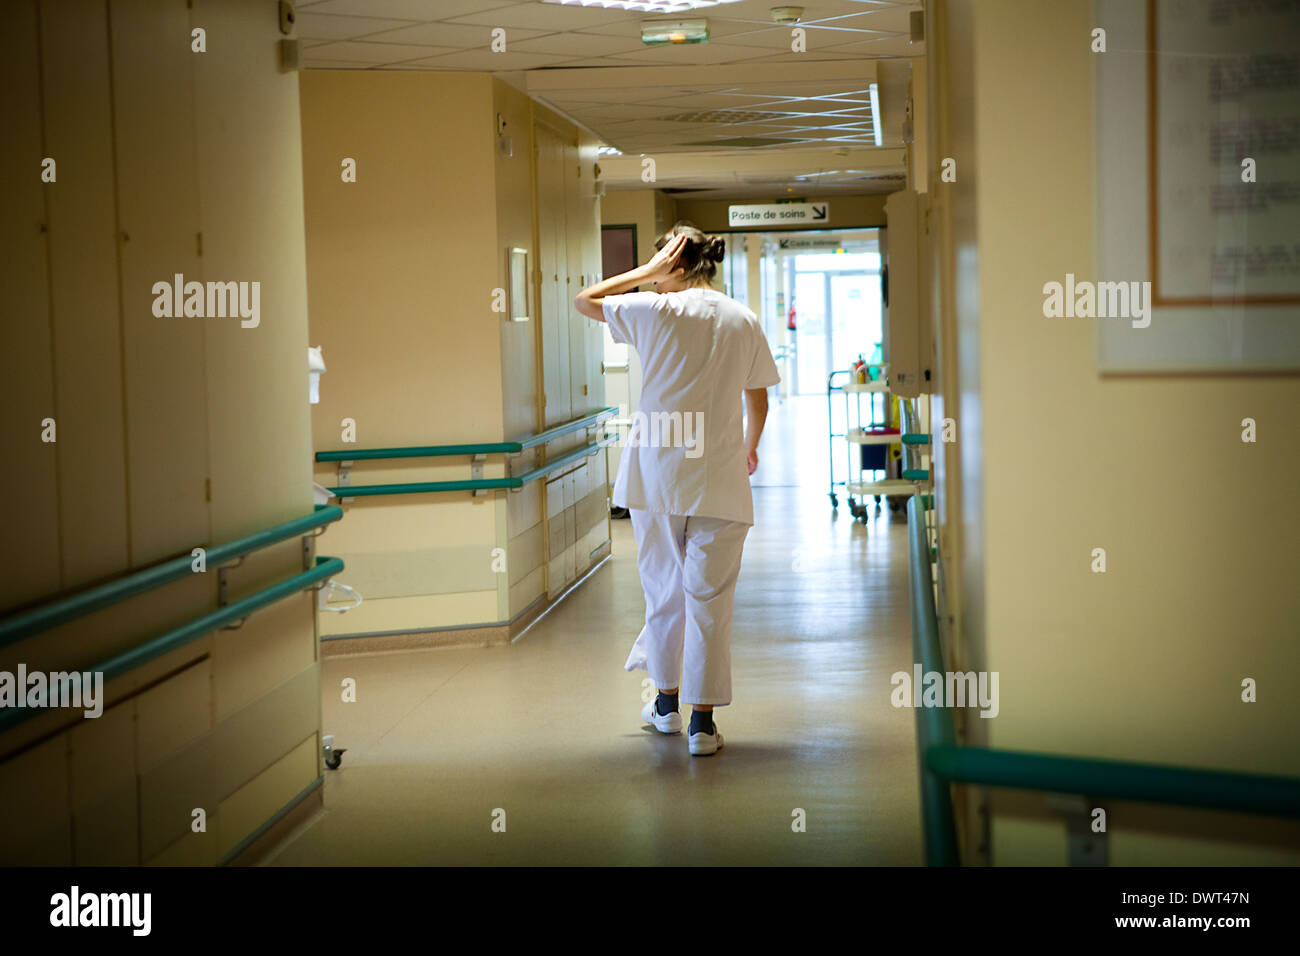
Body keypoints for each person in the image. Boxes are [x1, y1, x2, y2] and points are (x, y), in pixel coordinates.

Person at [574, 221, 780, 756]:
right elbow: (758, 400)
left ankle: (666, 705)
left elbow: (585, 300)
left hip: (658, 474)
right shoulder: (743, 318)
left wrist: (646, 274)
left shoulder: (651, 309)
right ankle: (702, 726)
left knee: (663, 589)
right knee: (710, 599)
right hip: (721, 476)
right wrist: (751, 445)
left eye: (662, 255)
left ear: (674, 258)